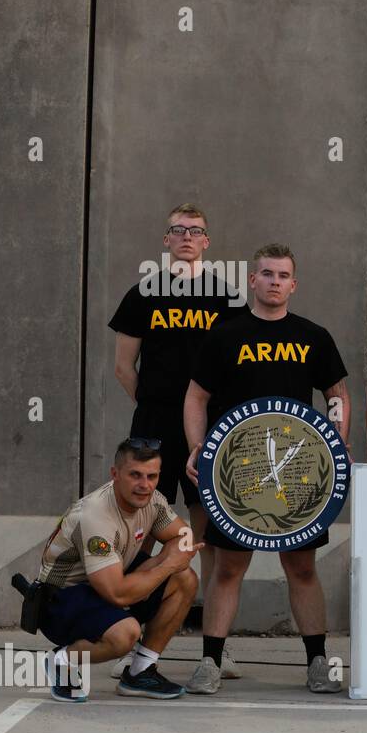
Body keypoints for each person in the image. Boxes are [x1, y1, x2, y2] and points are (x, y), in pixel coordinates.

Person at [183, 244, 351, 695]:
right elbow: (196, 396)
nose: (275, 281)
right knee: (227, 568)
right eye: (267, 274)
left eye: (283, 275)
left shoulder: (313, 336)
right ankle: (210, 664)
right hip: (236, 473)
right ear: (252, 281)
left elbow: (337, 392)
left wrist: (337, 442)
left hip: (297, 476)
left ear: (293, 285)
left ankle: (318, 662)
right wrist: (198, 446)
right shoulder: (224, 335)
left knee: (301, 568)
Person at [108, 202, 245, 678]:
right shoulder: (143, 294)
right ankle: (133, 635)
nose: (187, 236)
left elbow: (236, 365)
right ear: (166, 240)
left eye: (196, 231)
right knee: (144, 529)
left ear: (207, 242)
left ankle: (214, 646)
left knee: (204, 532)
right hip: (155, 427)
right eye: (178, 230)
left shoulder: (226, 297)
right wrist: (153, 407)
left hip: (210, 428)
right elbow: (125, 367)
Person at [34, 439, 202, 702]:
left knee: (185, 579)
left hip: (107, 581)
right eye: (135, 475)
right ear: (115, 474)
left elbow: (185, 537)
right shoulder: (96, 515)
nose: (144, 485)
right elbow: (117, 595)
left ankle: (141, 671)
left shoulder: (153, 500)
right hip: (61, 600)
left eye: (152, 476)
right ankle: (62, 659)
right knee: (126, 633)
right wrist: (165, 563)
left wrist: (155, 566)